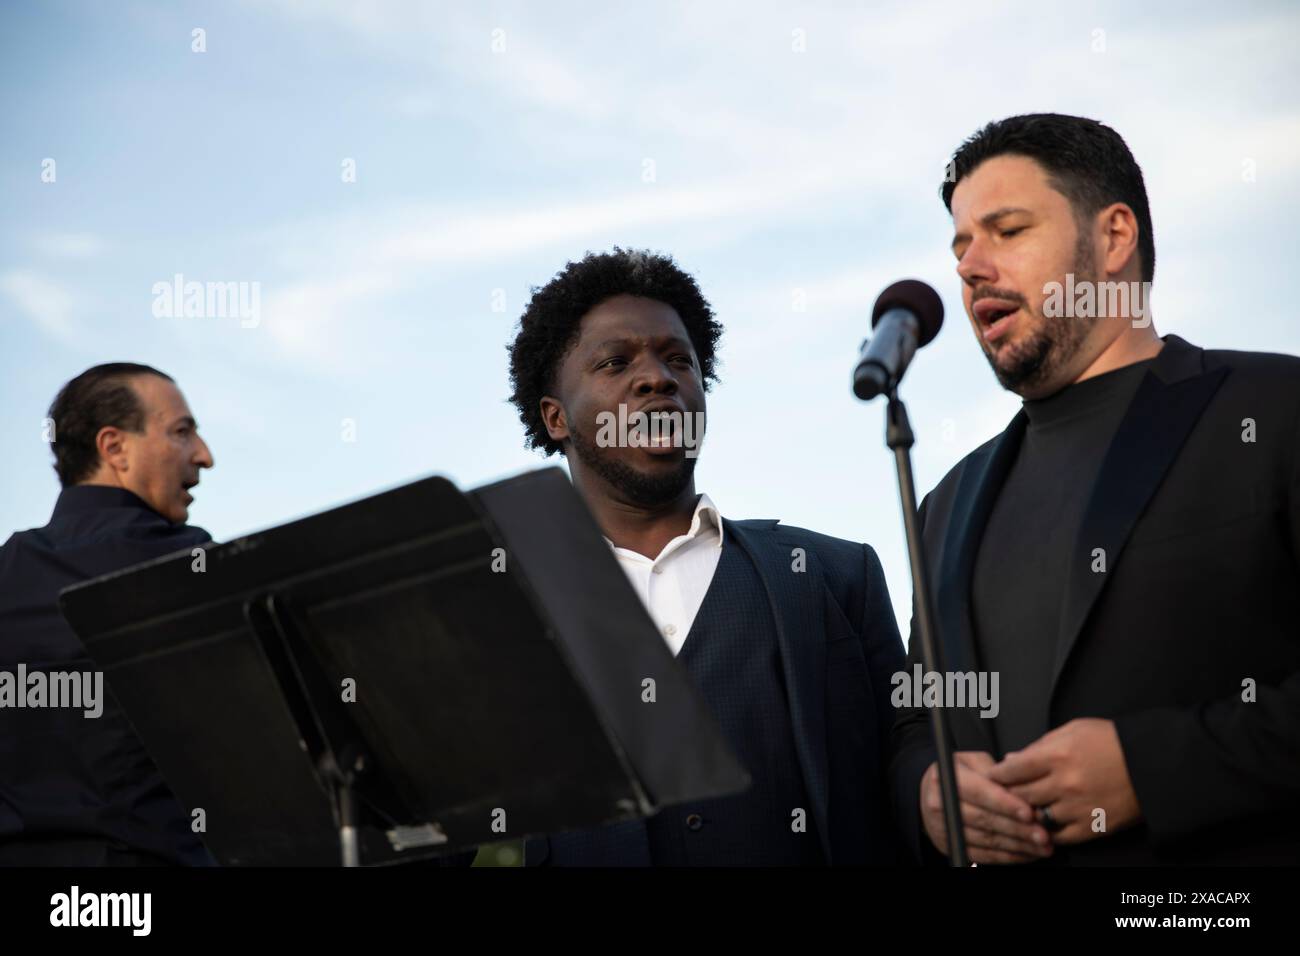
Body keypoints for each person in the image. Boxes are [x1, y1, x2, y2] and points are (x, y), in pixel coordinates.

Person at [890, 113, 1300, 865]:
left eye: (1006, 230)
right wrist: (927, 786)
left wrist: (1156, 769)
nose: (970, 266)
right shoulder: (943, 503)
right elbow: (922, 715)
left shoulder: (1274, 408)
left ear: (1114, 237)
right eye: (959, 245)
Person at [508, 248, 906, 865]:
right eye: (616, 362)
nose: (658, 378)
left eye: (679, 361)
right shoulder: (508, 608)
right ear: (556, 418)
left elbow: (912, 770)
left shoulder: (834, 575)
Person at [0, 363, 216, 865]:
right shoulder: (190, 564)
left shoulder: (6, 570)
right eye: (182, 432)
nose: (204, 455)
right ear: (114, 447)